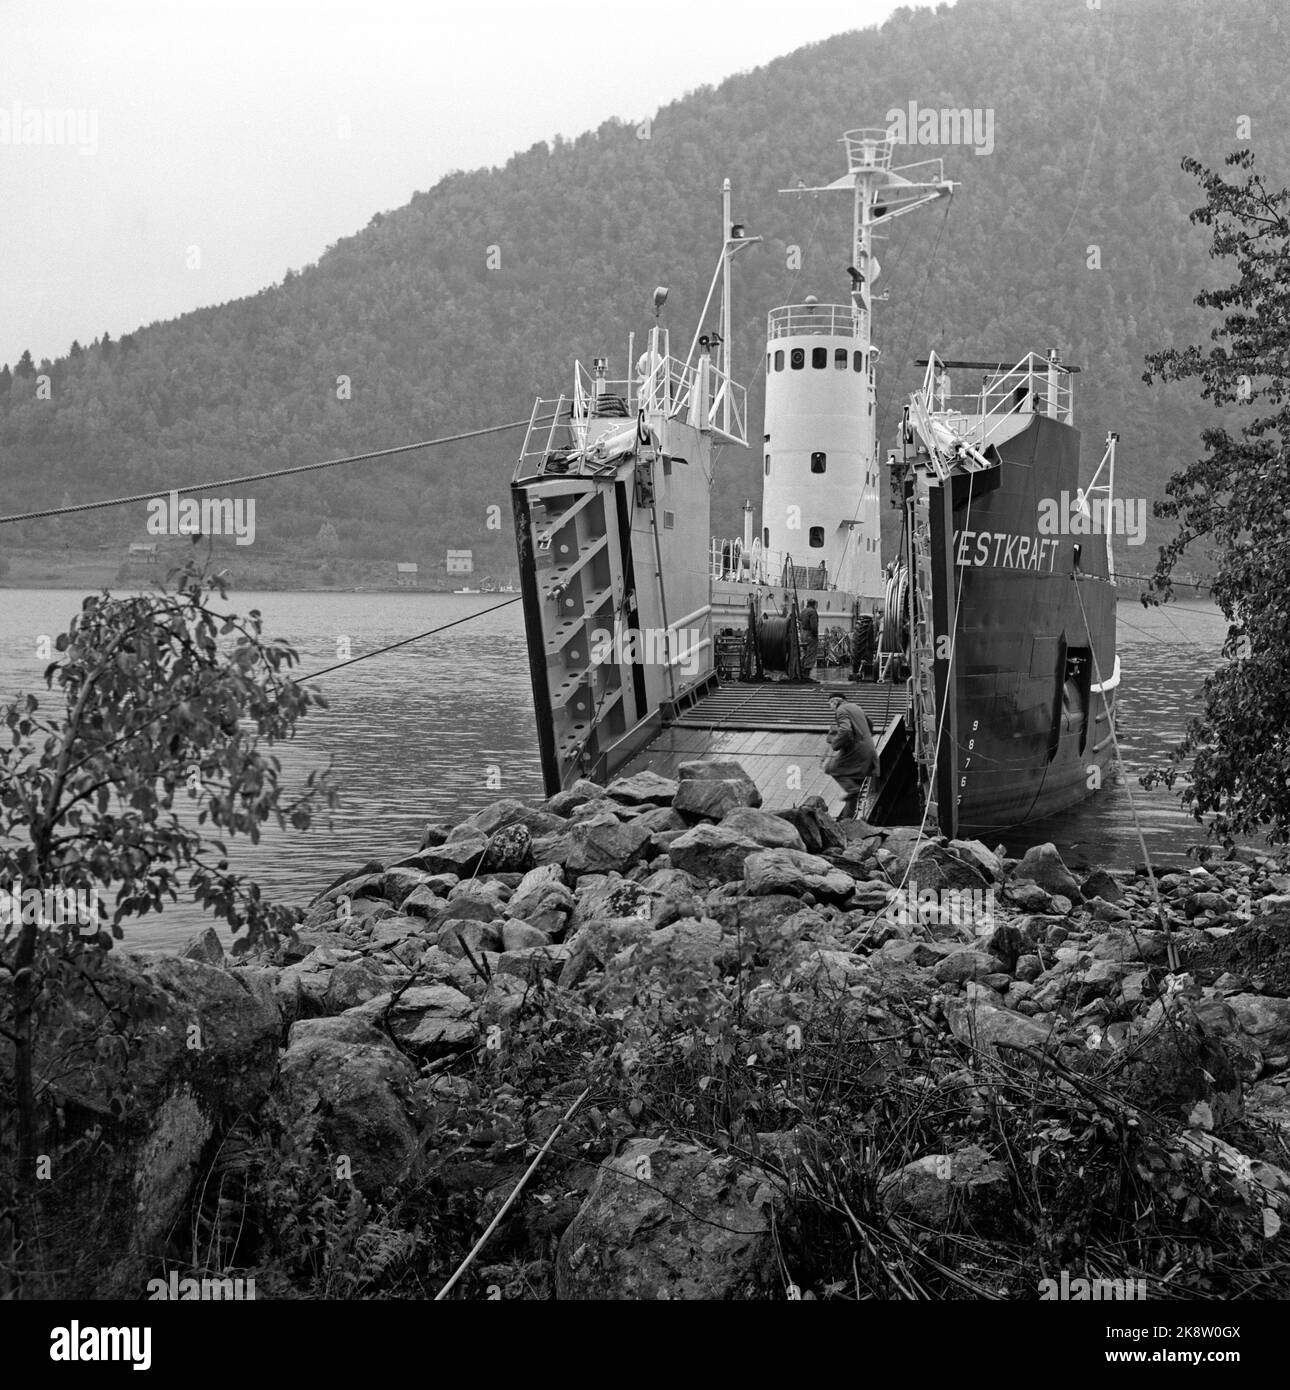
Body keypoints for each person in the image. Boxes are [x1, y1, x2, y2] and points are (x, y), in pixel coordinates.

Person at [822, 694, 878, 820]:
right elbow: (870, 724)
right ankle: (847, 820)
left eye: (830, 704)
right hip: (868, 749)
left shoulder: (841, 710)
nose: (830, 707)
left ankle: (851, 790)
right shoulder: (856, 707)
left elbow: (846, 731)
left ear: (835, 701)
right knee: (855, 783)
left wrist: (835, 744)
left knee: (831, 768)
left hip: (857, 750)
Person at [799, 599, 819, 680]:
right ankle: (806, 674)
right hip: (810, 634)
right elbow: (814, 626)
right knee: (811, 653)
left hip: (803, 633)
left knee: (804, 653)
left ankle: (801, 670)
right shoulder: (813, 612)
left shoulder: (803, 611)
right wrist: (815, 635)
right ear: (814, 604)